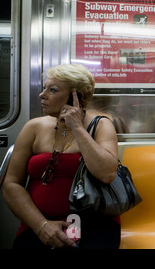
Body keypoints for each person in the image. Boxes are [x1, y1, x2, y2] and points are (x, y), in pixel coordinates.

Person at [2, 63, 121, 249]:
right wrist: (41, 226)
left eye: (53, 90)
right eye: (44, 88)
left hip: (94, 223)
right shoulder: (33, 127)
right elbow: (11, 184)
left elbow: (106, 173)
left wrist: (77, 127)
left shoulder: (100, 125)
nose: (42, 95)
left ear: (77, 96)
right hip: (40, 223)